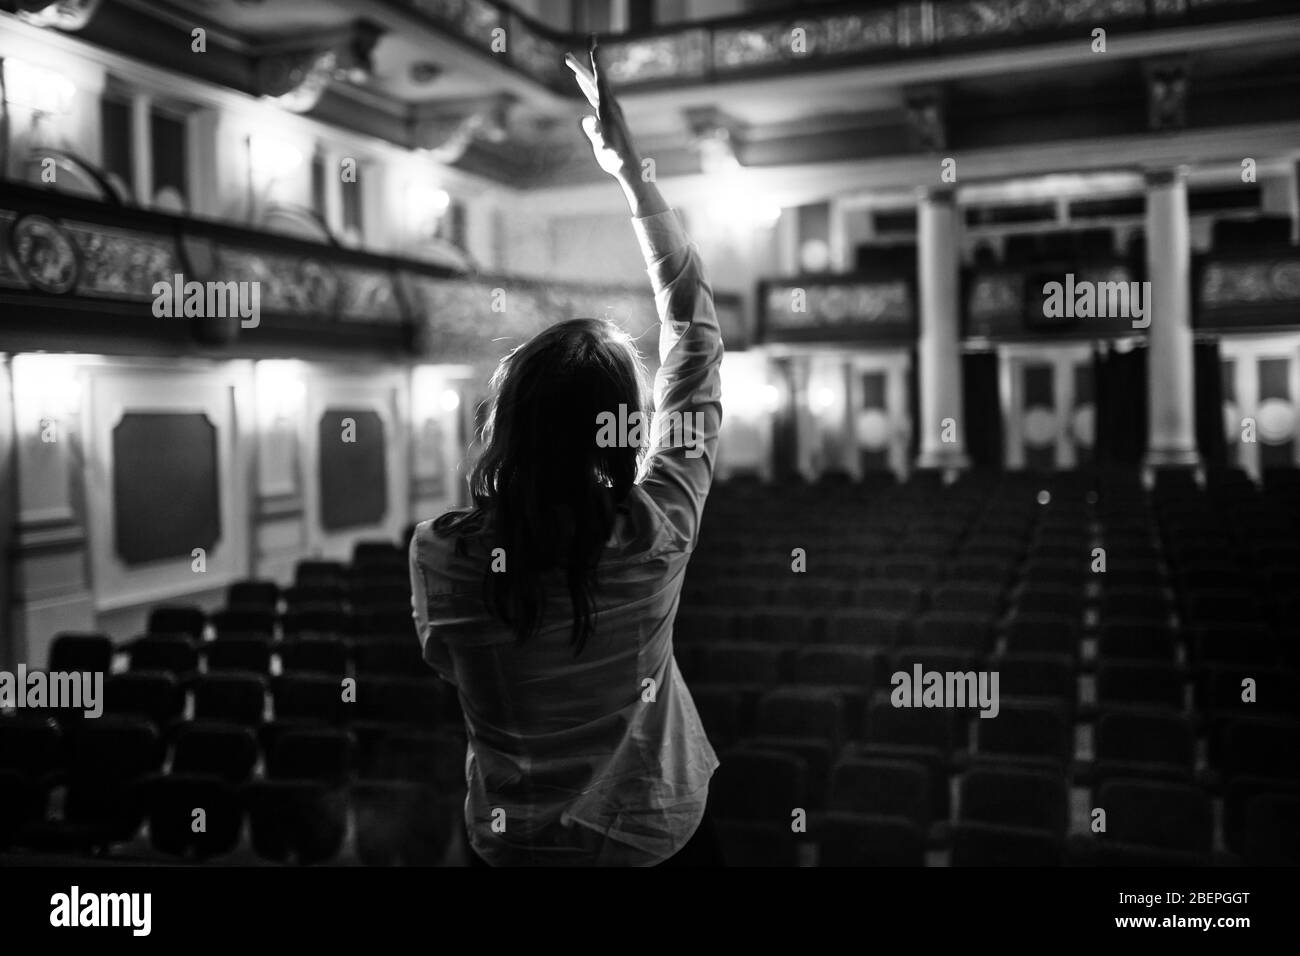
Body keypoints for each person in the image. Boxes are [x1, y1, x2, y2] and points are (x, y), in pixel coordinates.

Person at [409, 39, 725, 867]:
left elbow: (449, 663)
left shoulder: (442, 555)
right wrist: (630, 171)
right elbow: (693, 333)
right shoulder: (655, 534)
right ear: (621, 427)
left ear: (506, 424)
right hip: (649, 836)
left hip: (511, 846)